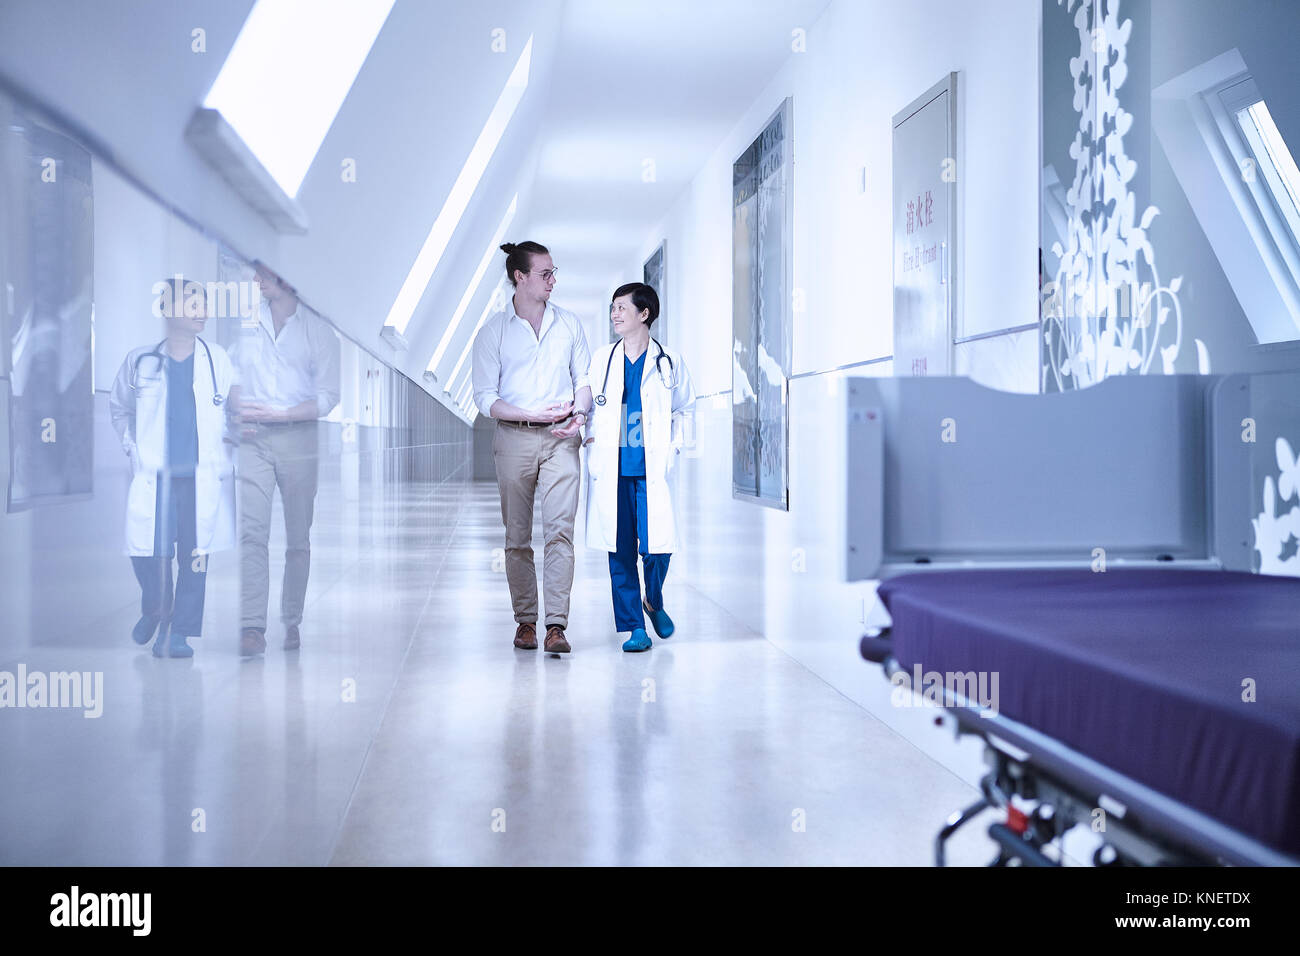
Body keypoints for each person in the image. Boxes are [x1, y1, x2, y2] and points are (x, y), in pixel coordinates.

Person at [471, 241, 592, 655]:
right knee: (517, 536)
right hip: (514, 438)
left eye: (554, 273)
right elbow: (485, 398)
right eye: (545, 274)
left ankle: (556, 626)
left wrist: (579, 415)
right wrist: (532, 415)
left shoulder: (570, 324)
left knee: (561, 532)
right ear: (519, 277)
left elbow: (584, 382)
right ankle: (526, 620)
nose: (553, 280)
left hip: (562, 440)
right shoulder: (493, 332)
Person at [109, 277, 238, 658]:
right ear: (167, 309)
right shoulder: (140, 360)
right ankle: (155, 608)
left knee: (194, 559)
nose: (203, 310)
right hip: (155, 478)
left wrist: (226, 451)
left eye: (204, 303)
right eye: (193, 302)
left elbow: (233, 412)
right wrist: (132, 448)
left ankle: (178, 632)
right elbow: (120, 409)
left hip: (199, 477)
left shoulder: (217, 358)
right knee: (149, 553)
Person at [231, 261, 340, 657]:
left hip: (299, 439)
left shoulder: (318, 330)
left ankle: (291, 619)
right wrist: (237, 408)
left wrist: (282, 414)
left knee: (297, 538)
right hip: (253, 440)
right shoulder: (246, 322)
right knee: (252, 533)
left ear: (286, 275)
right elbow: (230, 374)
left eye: (262, 274)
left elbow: (329, 395)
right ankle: (251, 627)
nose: (255, 280)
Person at [583, 282, 694, 652]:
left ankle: (654, 600)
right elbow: (592, 405)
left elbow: (685, 409)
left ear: (643, 314)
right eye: (613, 308)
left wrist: (675, 448)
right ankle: (635, 628)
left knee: (658, 547)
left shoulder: (670, 361)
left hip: (652, 468)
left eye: (621, 308)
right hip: (614, 468)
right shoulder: (603, 358)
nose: (614, 315)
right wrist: (592, 439)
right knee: (620, 550)